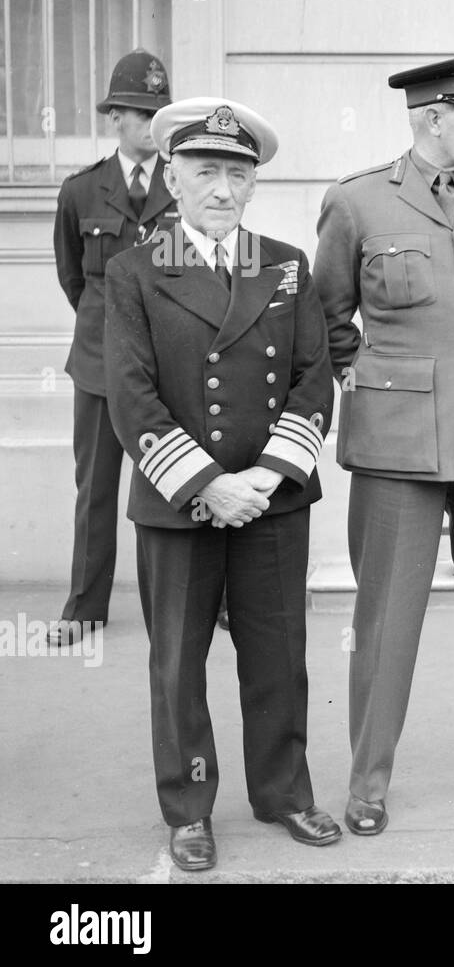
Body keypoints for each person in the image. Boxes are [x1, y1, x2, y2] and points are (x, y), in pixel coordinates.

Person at [104, 97, 340, 871]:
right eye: (205, 171)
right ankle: (189, 807)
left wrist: (265, 478)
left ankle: (283, 792)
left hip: (271, 501)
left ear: (252, 185)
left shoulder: (283, 264)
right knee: (178, 661)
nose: (220, 188)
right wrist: (208, 483)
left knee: (279, 652)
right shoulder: (134, 270)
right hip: (181, 501)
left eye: (236, 173)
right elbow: (131, 394)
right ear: (172, 176)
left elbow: (313, 379)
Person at [313, 49, 454, 833]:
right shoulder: (359, 202)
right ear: (433, 117)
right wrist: (372, 386)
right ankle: (368, 779)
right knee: (386, 616)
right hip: (396, 445)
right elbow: (329, 318)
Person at [51, 49, 175, 645]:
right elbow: (74, 279)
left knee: (182, 483)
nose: (148, 125)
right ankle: (84, 608)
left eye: (157, 113)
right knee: (96, 489)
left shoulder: (185, 185)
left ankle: (201, 603)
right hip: (100, 367)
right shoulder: (81, 191)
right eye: (136, 113)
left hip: (167, 364)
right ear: (114, 118)